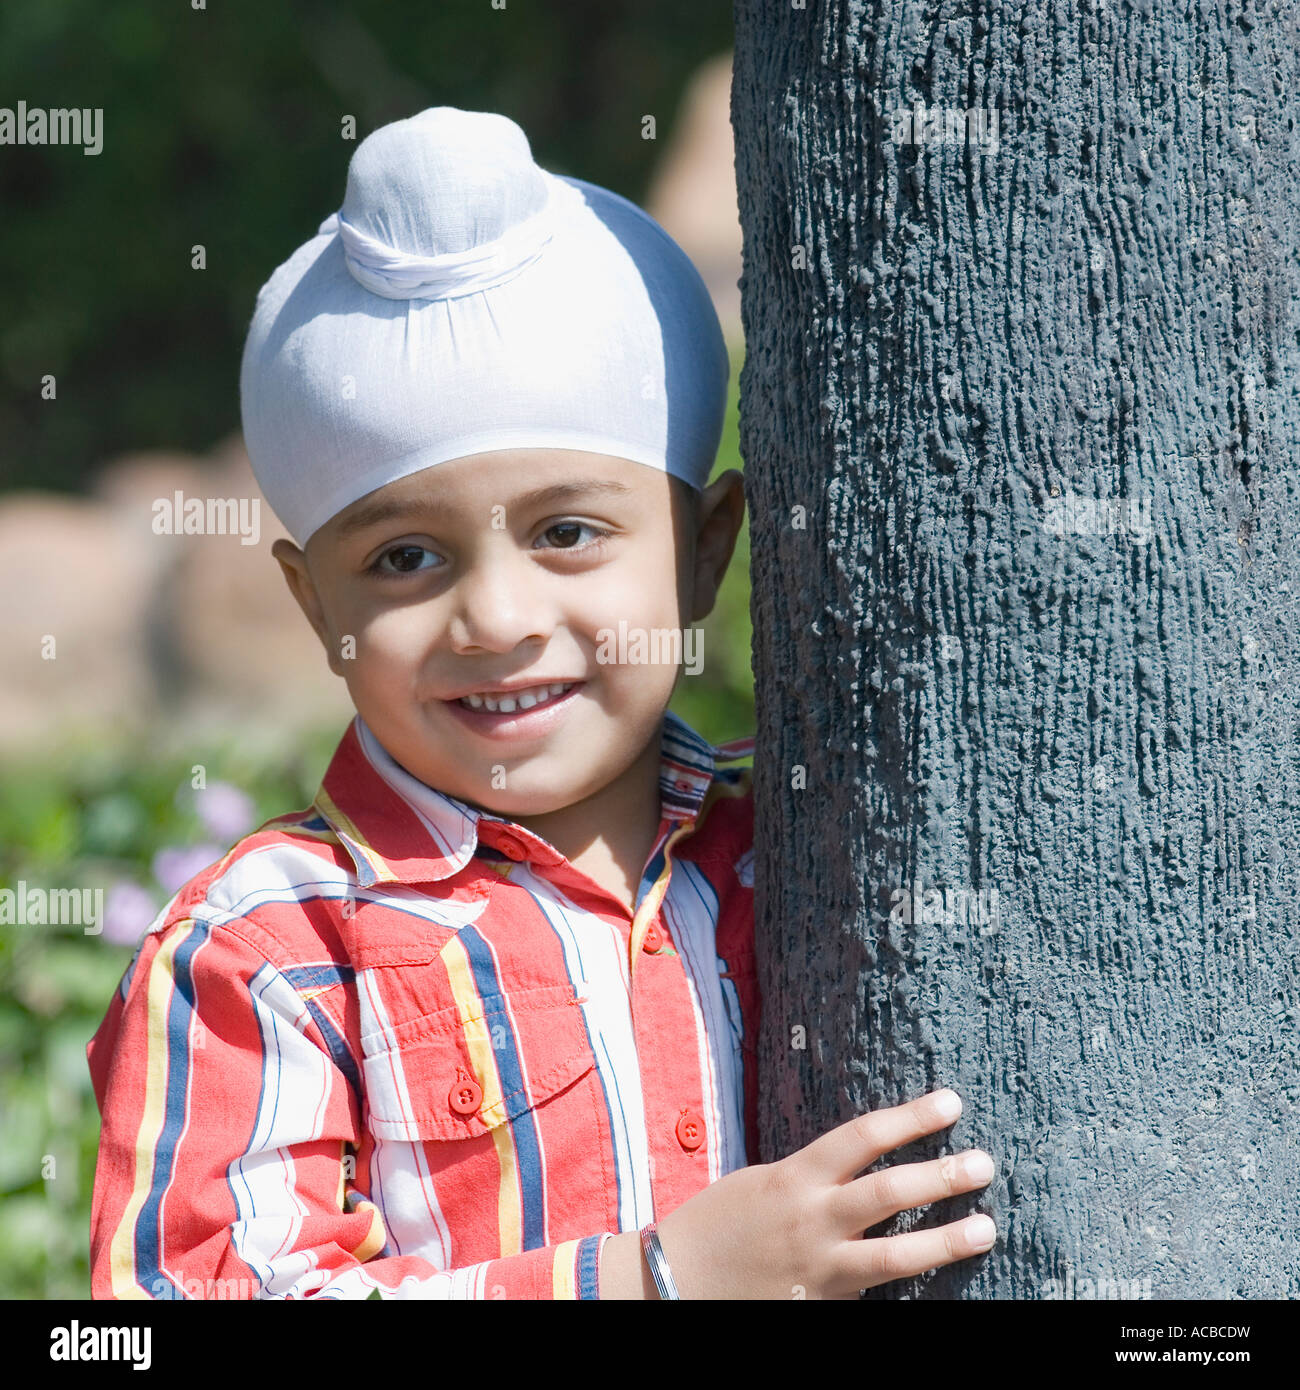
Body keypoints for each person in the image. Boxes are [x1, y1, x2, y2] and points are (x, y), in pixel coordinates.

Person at [85, 106, 995, 1299]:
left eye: (569, 532)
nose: (498, 617)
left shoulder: (795, 845)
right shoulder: (268, 951)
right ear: (317, 608)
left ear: (706, 549)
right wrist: (652, 1279)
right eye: (405, 558)